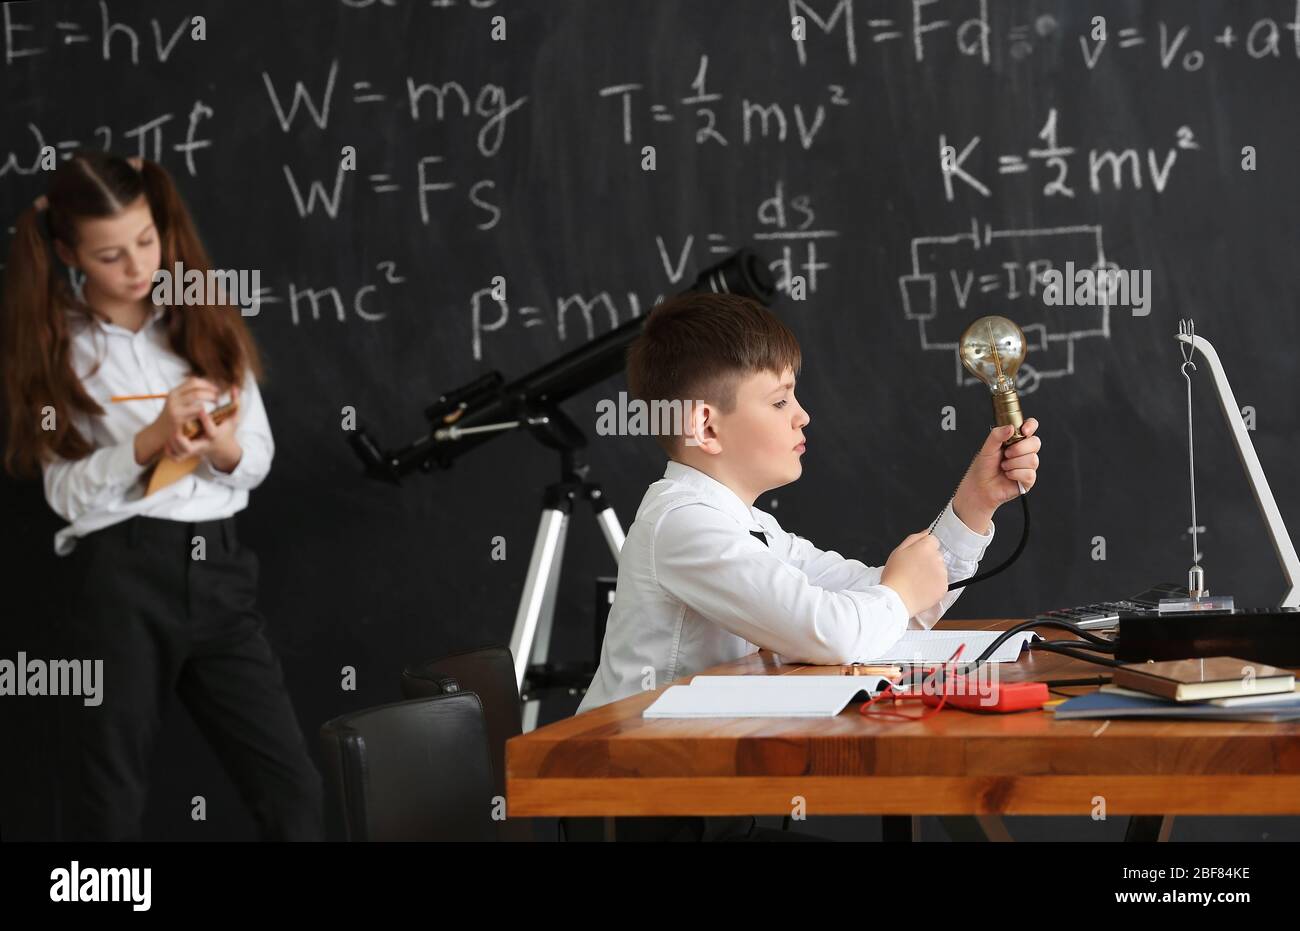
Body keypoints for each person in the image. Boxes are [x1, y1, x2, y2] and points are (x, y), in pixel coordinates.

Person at [568, 291, 1042, 841]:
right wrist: (898, 594)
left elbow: (876, 604)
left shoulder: (749, 525)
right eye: (778, 402)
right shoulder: (683, 524)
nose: (803, 415)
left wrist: (974, 506)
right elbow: (839, 630)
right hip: (635, 812)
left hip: (700, 799)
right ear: (706, 427)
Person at [0, 151, 323, 841]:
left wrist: (217, 447)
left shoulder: (204, 320)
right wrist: (147, 441)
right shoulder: (56, 346)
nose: (137, 266)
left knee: (293, 788)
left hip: (220, 572)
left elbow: (255, 457)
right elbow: (61, 490)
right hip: (118, 578)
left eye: (146, 241)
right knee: (106, 803)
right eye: (110, 255)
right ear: (68, 253)